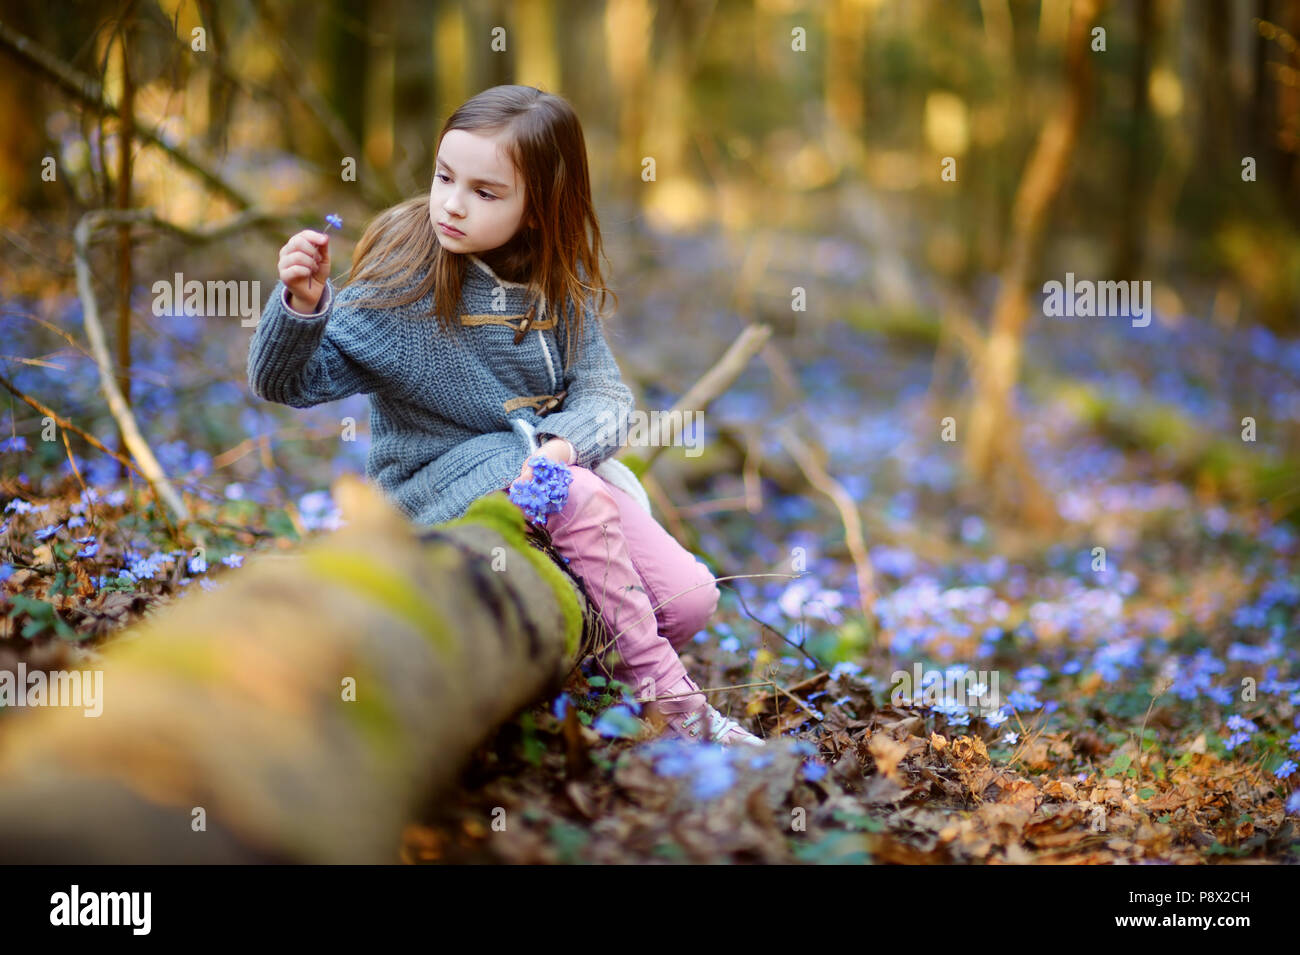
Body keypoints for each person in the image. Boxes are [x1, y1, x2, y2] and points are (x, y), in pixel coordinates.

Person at [247, 85, 763, 747]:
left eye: (486, 192)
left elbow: (606, 394)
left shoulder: (554, 280)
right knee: (577, 496)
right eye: (444, 177)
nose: (453, 203)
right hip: (438, 483)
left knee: (691, 598)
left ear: (540, 211)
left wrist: (560, 444)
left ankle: (587, 683)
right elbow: (287, 381)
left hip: (546, 470)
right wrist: (301, 302)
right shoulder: (404, 282)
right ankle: (682, 712)